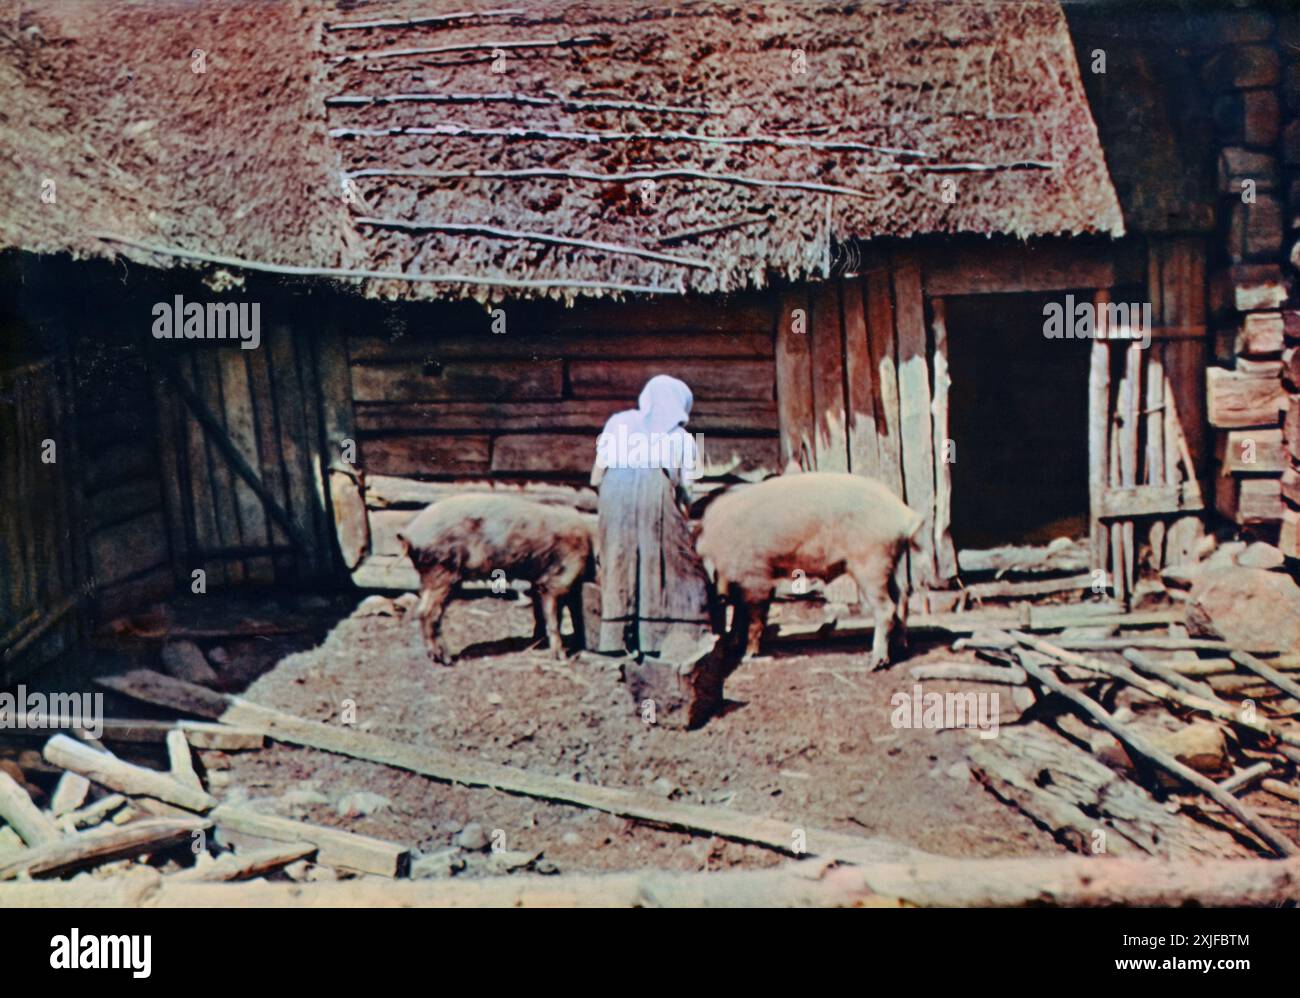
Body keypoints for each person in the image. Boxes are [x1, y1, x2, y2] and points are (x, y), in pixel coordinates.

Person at [591, 375, 713, 656]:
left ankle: (616, 637)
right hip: (656, 494)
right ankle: (663, 634)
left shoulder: (617, 422)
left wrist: (616, 505)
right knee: (667, 563)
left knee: (619, 557)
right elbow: (687, 490)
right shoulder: (682, 438)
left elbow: (597, 477)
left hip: (614, 492)